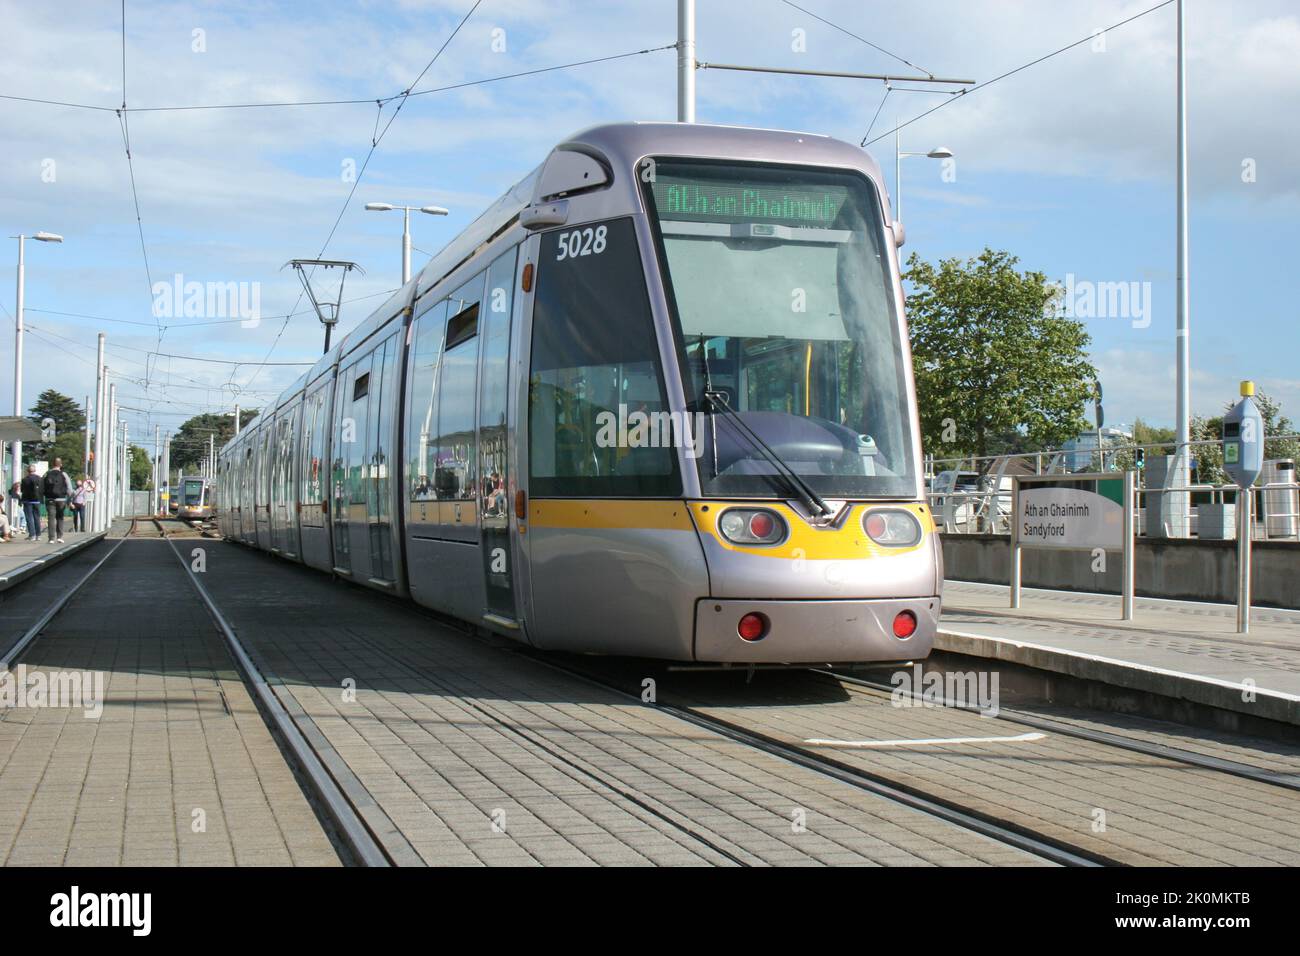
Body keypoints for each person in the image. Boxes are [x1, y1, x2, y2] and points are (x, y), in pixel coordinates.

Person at [42, 457, 71, 544]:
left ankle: (51, 538)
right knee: (60, 517)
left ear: (52, 464)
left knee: (51, 518)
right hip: (61, 499)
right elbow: (69, 488)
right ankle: (59, 537)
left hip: (50, 499)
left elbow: (42, 486)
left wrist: (44, 496)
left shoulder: (47, 474)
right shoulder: (64, 474)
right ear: (60, 465)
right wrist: (69, 500)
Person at [20, 465, 43, 541]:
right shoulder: (39, 479)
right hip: (37, 500)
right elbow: (42, 489)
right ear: (35, 470)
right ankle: (38, 535)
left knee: (29, 518)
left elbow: (22, 490)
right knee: (37, 517)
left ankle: (32, 535)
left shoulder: (24, 480)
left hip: (27, 500)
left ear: (28, 471)